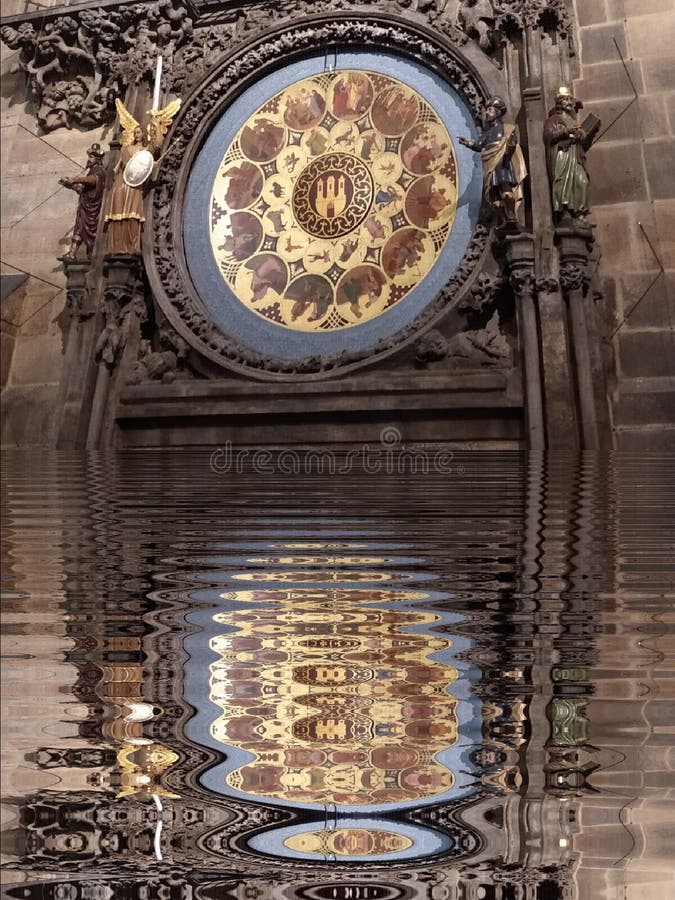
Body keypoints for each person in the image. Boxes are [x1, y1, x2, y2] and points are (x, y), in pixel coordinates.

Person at [459, 95, 526, 228]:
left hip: (502, 161)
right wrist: (467, 143)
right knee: (493, 194)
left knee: (505, 187)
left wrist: (510, 149)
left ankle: (511, 215)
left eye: (490, 110)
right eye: (487, 110)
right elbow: (479, 145)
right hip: (490, 163)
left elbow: (512, 141)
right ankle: (503, 219)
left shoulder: (506, 128)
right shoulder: (488, 133)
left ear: (498, 113)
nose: (487, 113)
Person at [543, 86, 597, 219]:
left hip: (575, 154)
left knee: (582, 181)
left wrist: (588, 133)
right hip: (562, 153)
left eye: (569, 99)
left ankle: (580, 213)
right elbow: (549, 135)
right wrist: (566, 131)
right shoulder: (554, 119)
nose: (568, 102)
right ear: (559, 103)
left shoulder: (573, 120)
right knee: (562, 181)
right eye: (565, 100)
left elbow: (583, 141)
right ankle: (565, 211)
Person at [59, 143, 106, 259]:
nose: (88, 160)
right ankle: (72, 253)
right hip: (84, 206)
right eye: (89, 157)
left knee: (90, 231)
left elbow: (92, 181)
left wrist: (75, 179)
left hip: (93, 209)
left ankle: (92, 255)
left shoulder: (98, 171)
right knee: (79, 228)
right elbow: (82, 190)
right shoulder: (91, 171)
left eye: (91, 157)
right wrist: (69, 185)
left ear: (97, 159)